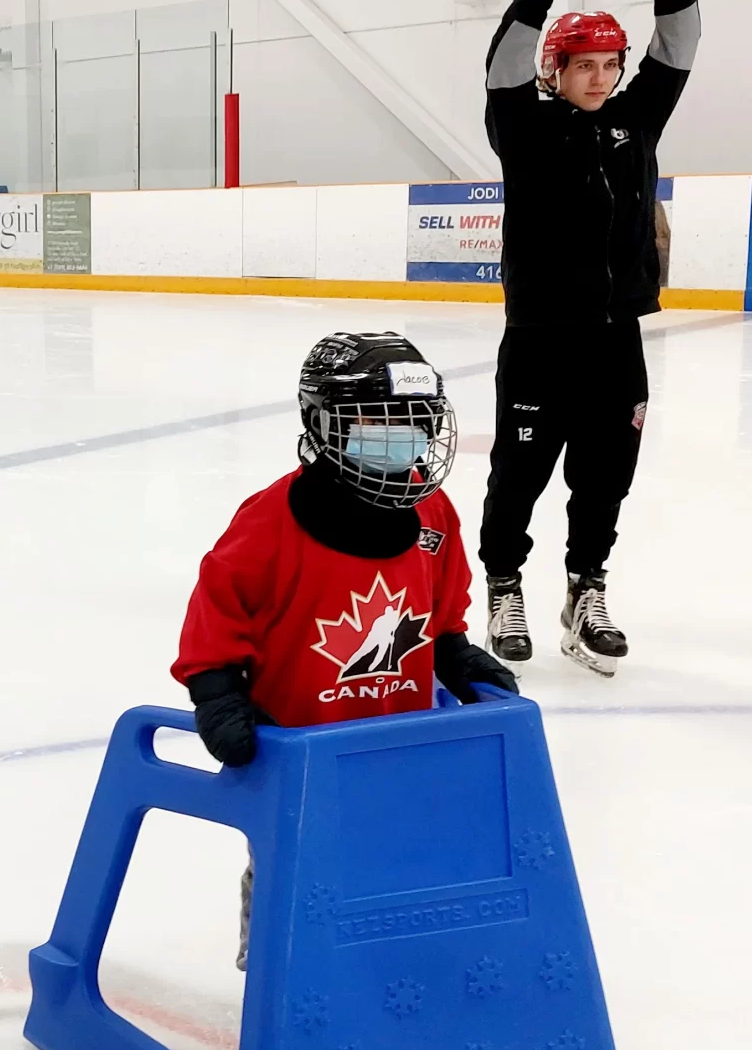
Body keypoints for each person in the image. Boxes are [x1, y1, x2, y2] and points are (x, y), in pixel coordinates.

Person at [173, 332, 518, 967]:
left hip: (397, 742)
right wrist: (218, 691)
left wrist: (454, 651)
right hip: (297, 750)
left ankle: (383, 963)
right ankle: (274, 962)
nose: (402, 432)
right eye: (378, 417)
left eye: (415, 418)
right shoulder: (269, 521)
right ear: (319, 421)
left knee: (395, 854)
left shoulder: (434, 514)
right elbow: (216, 609)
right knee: (289, 863)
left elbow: (440, 610)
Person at [476, 0, 700, 675]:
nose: (601, 78)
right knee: (520, 476)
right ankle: (504, 585)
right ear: (557, 70)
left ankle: (585, 590)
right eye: (584, 66)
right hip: (540, 339)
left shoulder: (634, 121)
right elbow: (505, 54)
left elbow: (679, 40)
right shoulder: (524, 130)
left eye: (610, 64)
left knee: (604, 480)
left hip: (617, 339)